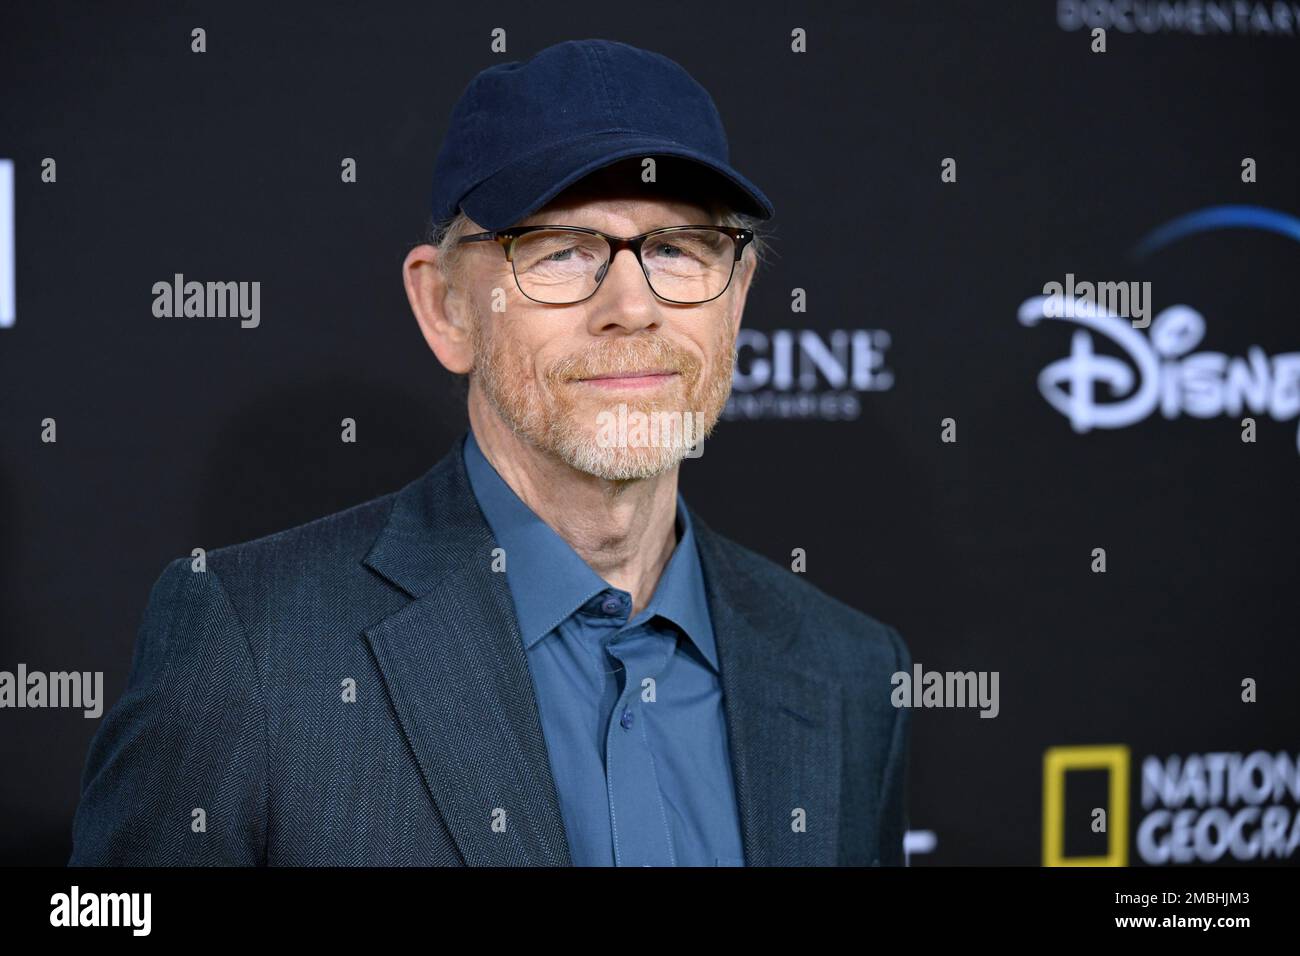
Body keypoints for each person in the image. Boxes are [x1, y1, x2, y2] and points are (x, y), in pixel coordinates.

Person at [69, 38, 911, 867]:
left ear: (735, 302)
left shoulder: (849, 672)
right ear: (446, 308)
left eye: (677, 250)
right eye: (562, 251)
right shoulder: (250, 650)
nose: (631, 305)